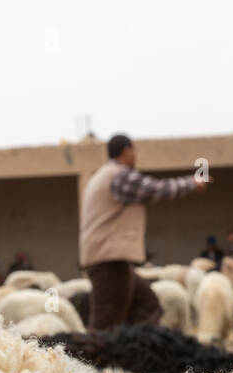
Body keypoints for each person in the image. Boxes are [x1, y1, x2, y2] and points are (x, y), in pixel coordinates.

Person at [79, 133, 208, 329]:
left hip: (111, 261)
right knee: (105, 324)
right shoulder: (119, 175)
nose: (135, 155)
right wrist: (192, 183)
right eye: (134, 150)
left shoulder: (102, 176)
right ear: (126, 151)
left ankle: (133, 353)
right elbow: (156, 189)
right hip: (109, 262)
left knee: (147, 305)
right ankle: (94, 358)